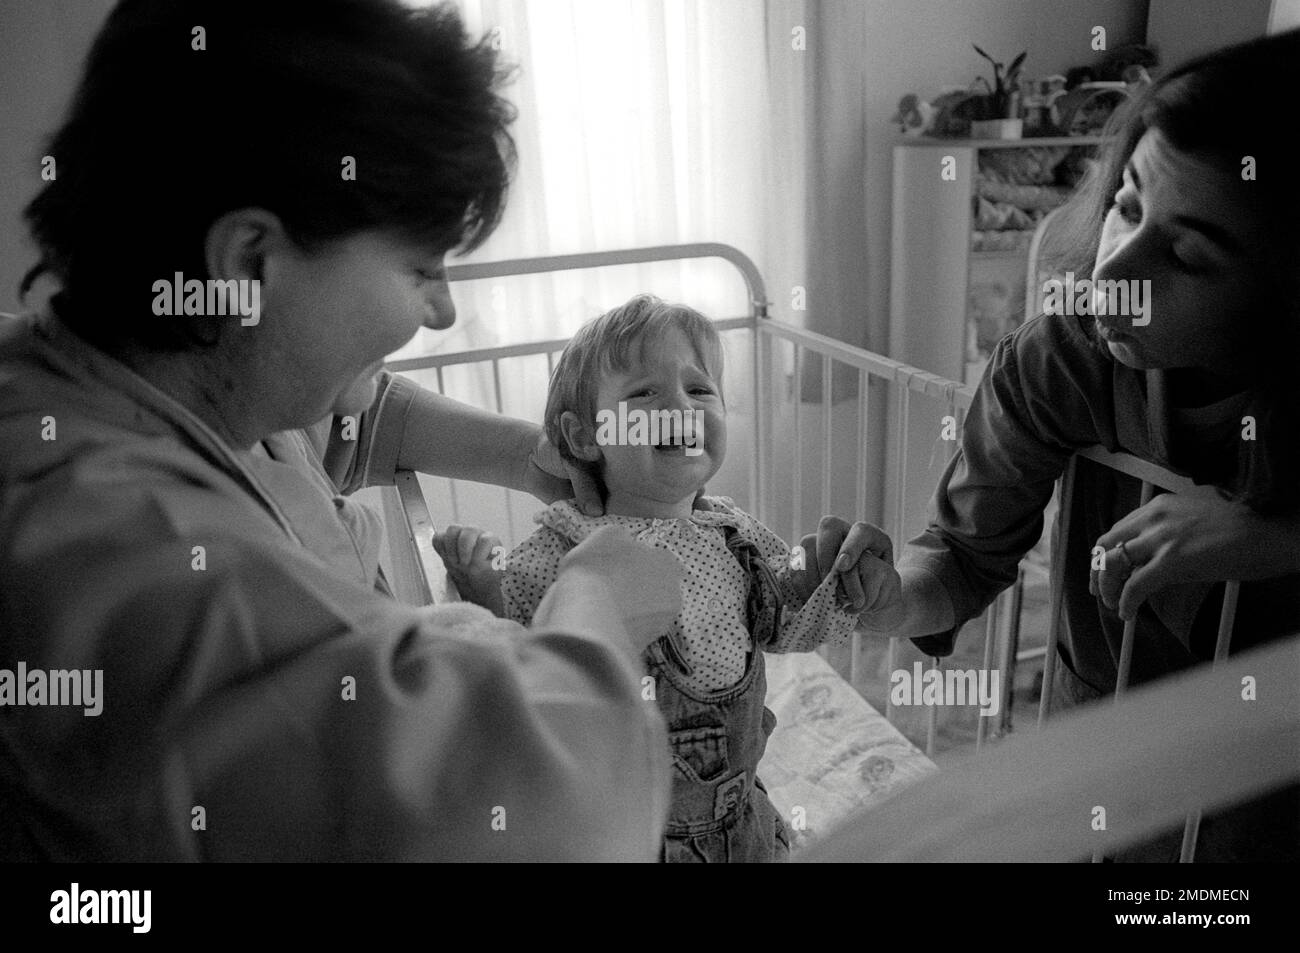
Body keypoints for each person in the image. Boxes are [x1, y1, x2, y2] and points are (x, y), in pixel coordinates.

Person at [0, 0, 877, 862]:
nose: (443, 307)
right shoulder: (130, 555)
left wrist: (539, 460)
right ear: (249, 264)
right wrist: (596, 606)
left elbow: (363, 416)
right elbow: (551, 811)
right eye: (420, 266)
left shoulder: (206, 389)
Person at [868, 30, 1300, 861]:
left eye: (1187, 254)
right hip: (1098, 752)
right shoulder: (1063, 354)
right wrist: (891, 596)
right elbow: (961, 559)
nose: (1113, 274)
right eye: (1128, 207)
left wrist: (1274, 537)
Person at [434, 295, 901, 862]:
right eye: (643, 393)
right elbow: (524, 666)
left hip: (743, 819)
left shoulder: (735, 536)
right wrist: (483, 584)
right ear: (584, 438)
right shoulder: (569, 545)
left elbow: (788, 626)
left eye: (699, 390)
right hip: (630, 835)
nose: (679, 405)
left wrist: (843, 586)